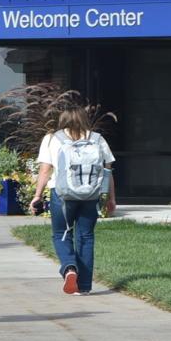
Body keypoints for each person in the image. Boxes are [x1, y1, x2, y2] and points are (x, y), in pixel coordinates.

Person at [29, 106, 117, 295]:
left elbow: (45, 170)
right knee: (86, 236)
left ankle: (69, 268)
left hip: (62, 195)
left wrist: (37, 195)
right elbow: (108, 171)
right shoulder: (97, 139)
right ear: (85, 119)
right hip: (90, 196)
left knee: (61, 233)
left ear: (63, 120)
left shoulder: (52, 139)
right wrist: (111, 198)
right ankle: (84, 286)